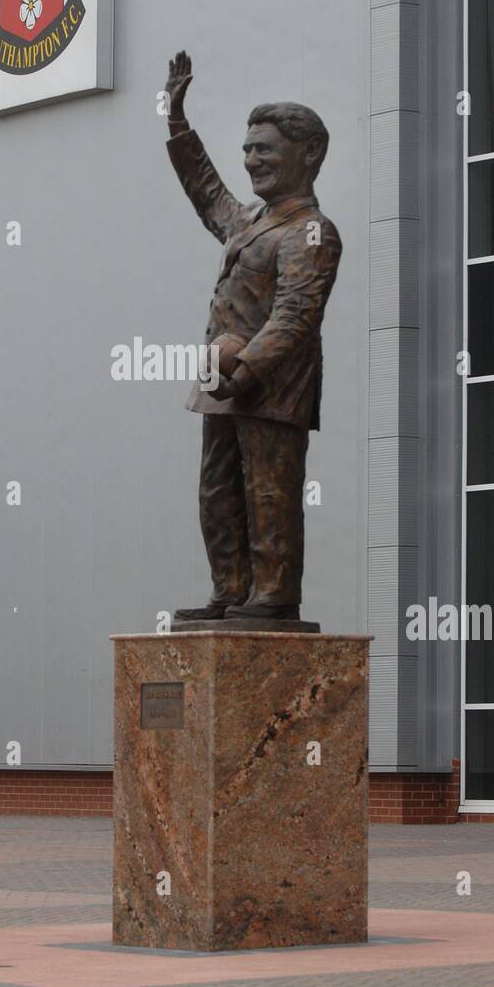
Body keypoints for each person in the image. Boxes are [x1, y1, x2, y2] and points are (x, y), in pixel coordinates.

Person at [165, 50, 342, 622]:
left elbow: (295, 315)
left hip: (268, 386)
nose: (250, 160)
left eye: (263, 148)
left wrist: (244, 365)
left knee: (269, 493)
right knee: (217, 491)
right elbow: (205, 189)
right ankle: (230, 589)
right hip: (225, 380)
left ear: (308, 153)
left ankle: (273, 595)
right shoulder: (250, 222)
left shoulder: (311, 231)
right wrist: (176, 122)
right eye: (246, 149)